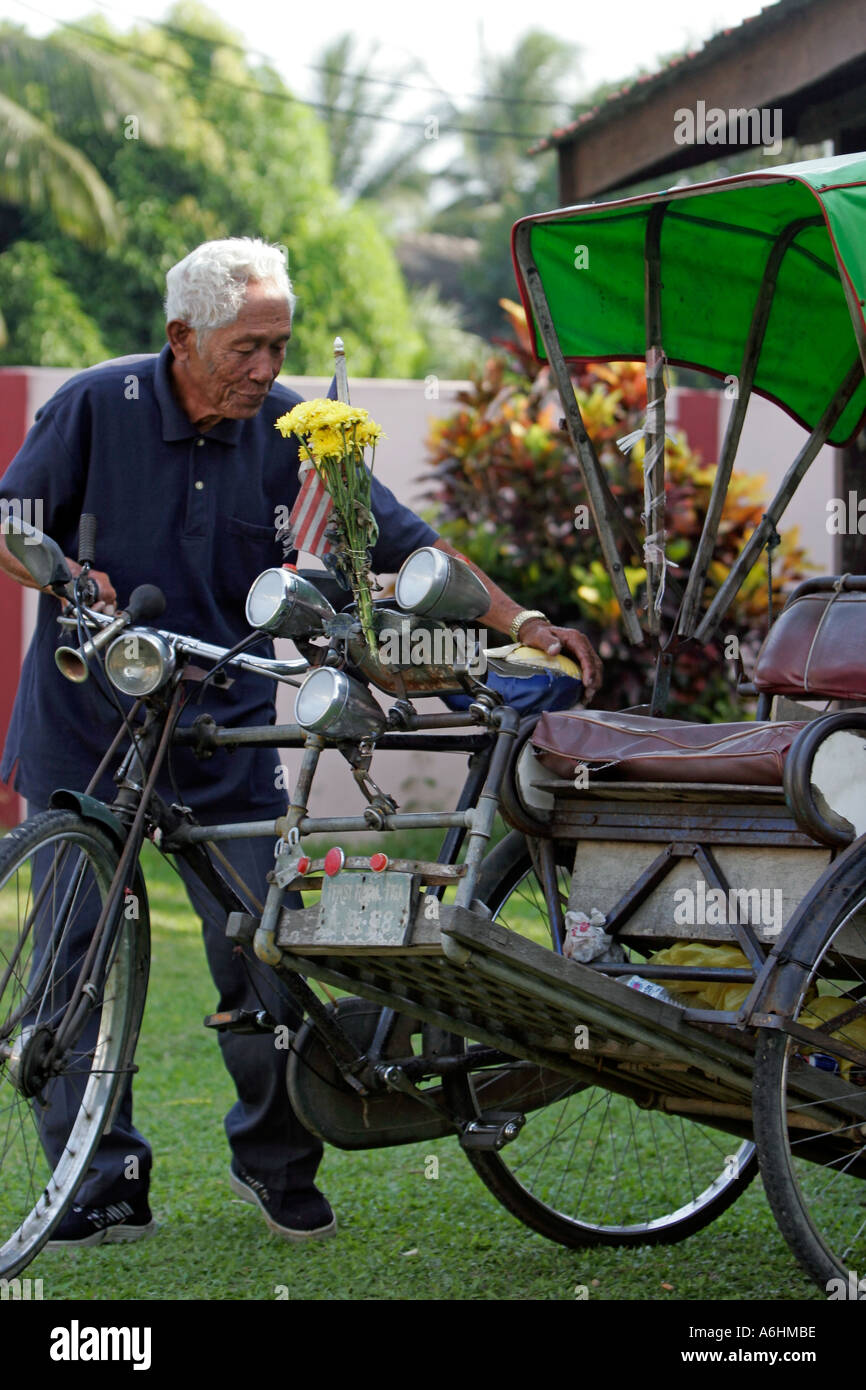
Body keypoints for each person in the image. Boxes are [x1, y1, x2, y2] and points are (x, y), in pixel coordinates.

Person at [0, 237, 602, 1248]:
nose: (267, 368)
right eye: (246, 348)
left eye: (278, 346)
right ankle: (96, 1182)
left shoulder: (299, 431)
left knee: (266, 958)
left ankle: (274, 1164)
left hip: (233, 725)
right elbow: (12, 518)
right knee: (71, 963)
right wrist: (68, 576)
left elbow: (405, 543)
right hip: (90, 722)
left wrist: (524, 622)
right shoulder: (98, 404)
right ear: (181, 337)